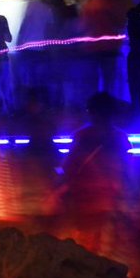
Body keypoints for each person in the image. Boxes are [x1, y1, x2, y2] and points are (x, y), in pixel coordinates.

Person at [57, 93, 130, 258]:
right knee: (108, 256)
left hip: (85, 207)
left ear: (91, 112)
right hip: (110, 206)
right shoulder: (121, 138)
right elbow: (126, 173)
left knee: (84, 257)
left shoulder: (82, 137)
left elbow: (69, 168)